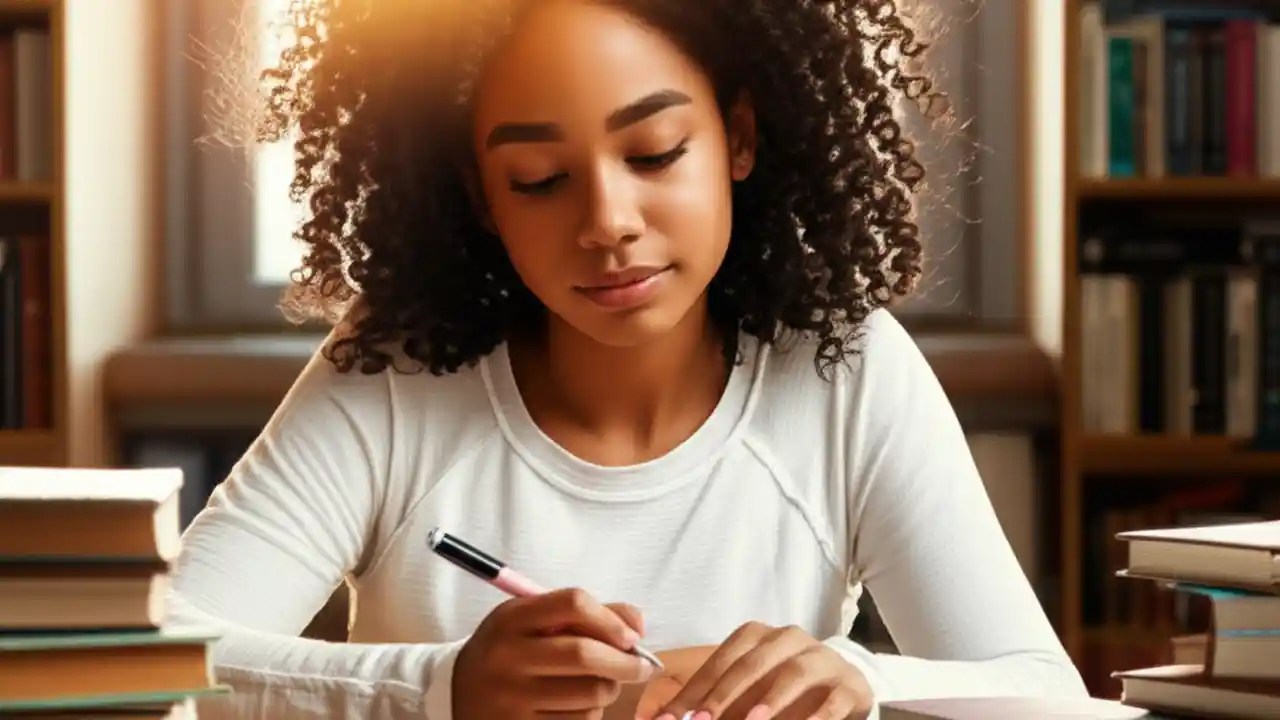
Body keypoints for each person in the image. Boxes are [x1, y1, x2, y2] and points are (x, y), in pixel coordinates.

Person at [167, 0, 1088, 718]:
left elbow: (1043, 692)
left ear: (739, 138)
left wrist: (858, 680)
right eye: (540, 180)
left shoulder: (842, 367)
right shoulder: (396, 371)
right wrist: (445, 690)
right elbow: (153, 657)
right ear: (482, 196)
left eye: (653, 153)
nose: (607, 223)